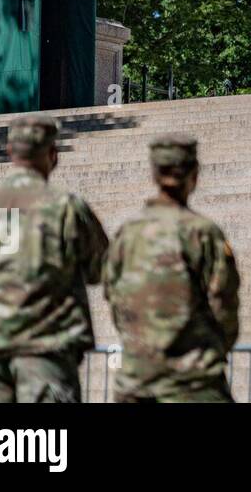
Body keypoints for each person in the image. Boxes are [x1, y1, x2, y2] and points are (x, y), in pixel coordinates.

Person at [0, 113, 108, 403]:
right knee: (44, 447)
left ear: (10, 151)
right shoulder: (67, 207)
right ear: (53, 154)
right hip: (46, 356)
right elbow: (99, 269)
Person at [104, 134, 240, 402]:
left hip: (137, 381)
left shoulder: (127, 234)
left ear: (154, 174)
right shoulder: (203, 233)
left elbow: (113, 296)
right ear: (195, 174)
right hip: (192, 382)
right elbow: (224, 305)